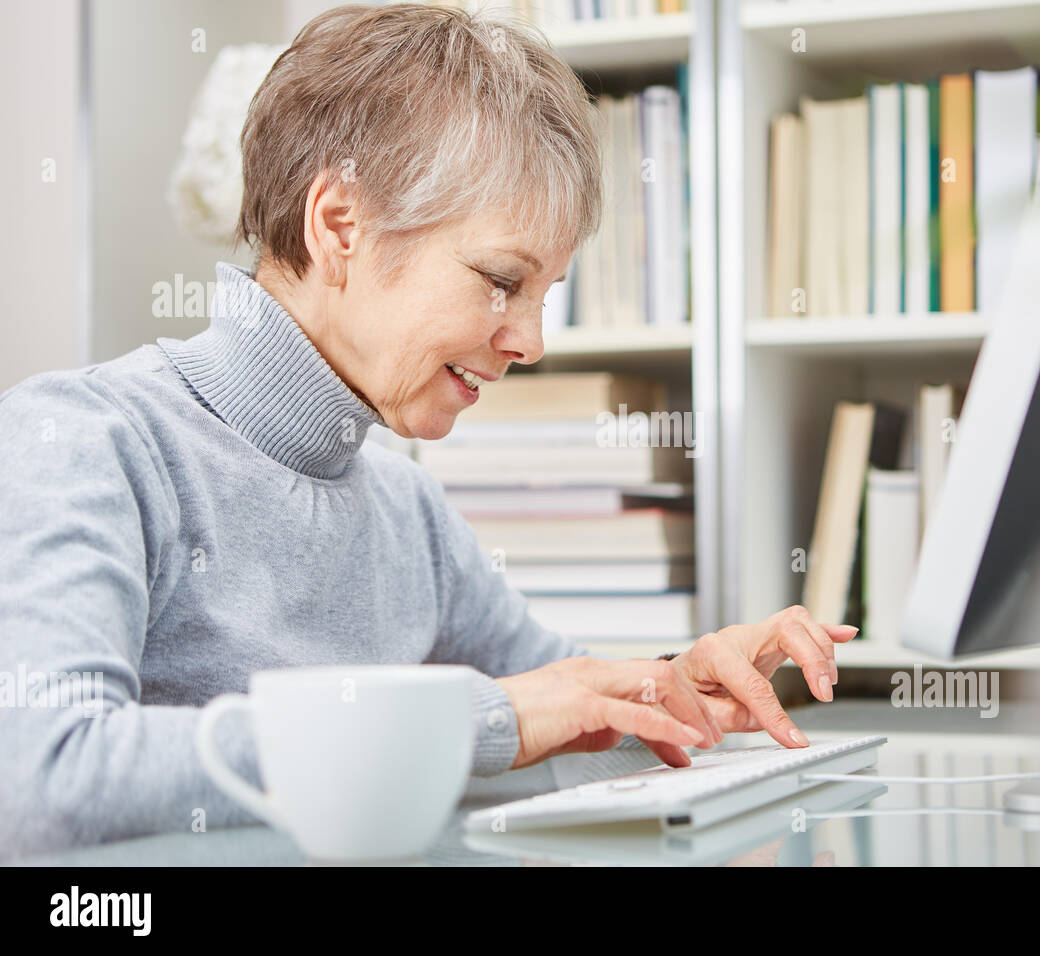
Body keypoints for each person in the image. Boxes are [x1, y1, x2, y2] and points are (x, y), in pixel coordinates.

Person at [0, 3, 852, 859]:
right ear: (339, 224)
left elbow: (561, 719)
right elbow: (40, 776)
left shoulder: (405, 509)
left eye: (542, 296)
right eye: (501, 280)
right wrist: (482, 721)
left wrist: (673, 689)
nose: (531, 342)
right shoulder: (86, 440)